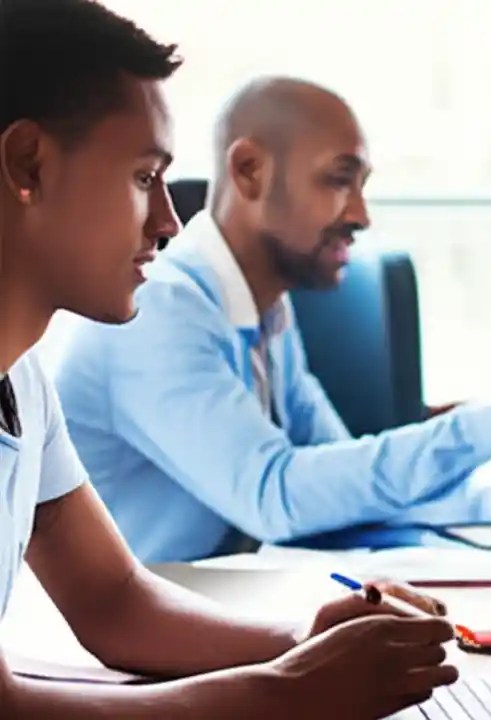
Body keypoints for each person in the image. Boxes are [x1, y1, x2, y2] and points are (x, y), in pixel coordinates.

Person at [0, 1, 462, 716]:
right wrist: (282, 693)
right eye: (143, 178)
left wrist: (302, 637)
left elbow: (113, 601)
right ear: (28, 163)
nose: (167, 223)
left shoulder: (21, 377)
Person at [54, 76, 491, 563]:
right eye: (338, 181)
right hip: (135, 660)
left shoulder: (267, 310)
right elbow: (278, 495)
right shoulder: (159, 308)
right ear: (249, 172)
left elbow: (335, 473)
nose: (362, 214)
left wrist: (490, 501)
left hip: (220, 620)